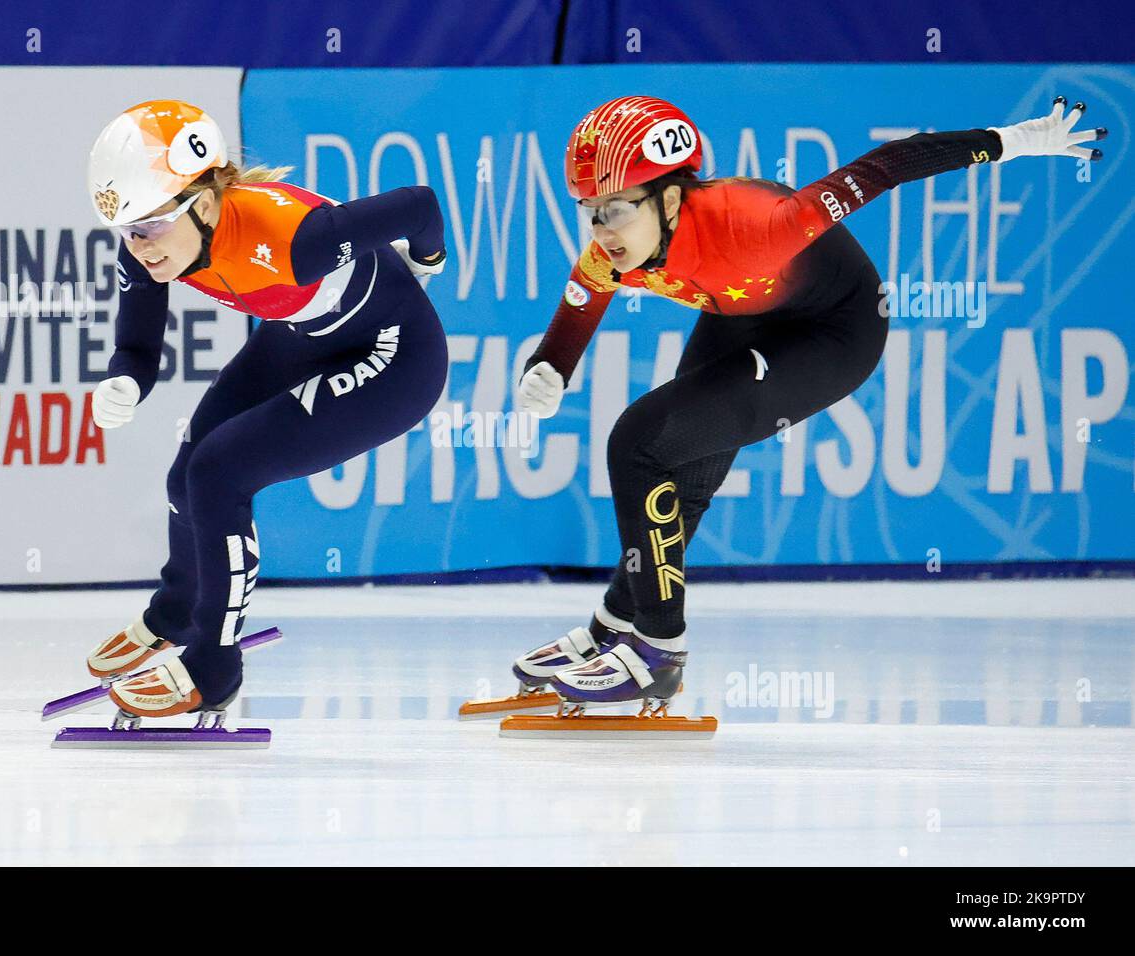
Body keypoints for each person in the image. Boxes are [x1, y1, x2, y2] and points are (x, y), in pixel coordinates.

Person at [510, 94, 1106, 713]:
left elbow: (888, 164)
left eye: (614, 211)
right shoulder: (618, 247)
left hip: (833, 333)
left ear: (668, 199)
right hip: (744, 312)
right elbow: (582, 300)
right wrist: (550, 366)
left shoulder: (761, 224)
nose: (602, 231)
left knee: (637, 441)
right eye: (590, 213)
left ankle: (659, 649)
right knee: (676, 466)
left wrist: (1012, 141)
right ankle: (616, 626)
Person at [84, 100, 449, 718]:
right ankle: (178, 608)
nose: (138, 248)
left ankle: (214, 665)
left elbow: (419, 204)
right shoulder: (152, 241)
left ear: (201, 204)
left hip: (397, 358)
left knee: (220, 471)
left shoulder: (294, 242)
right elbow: (139, 346)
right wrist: (123, 381)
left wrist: (427, 262)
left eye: (147, 227)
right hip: (304, 335)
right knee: (187, 471)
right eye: (124, 230)